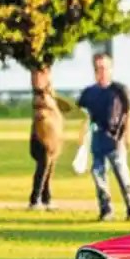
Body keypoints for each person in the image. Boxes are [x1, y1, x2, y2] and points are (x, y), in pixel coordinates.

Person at [77, 54, 130, 221]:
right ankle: (106, 209)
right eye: (98, 68)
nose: (102, 72)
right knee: (98, 174)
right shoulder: (89, 93)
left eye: (105, 68)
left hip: (116, 139)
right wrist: (81, 138)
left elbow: (129, 113)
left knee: (122, 173)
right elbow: (83, 117)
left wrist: (128, 135)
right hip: (97, 138)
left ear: (111, 69)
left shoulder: (120, 91)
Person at [28, 69, 74, 210]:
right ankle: (35, 199)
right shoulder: (39, 96)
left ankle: (46, 198)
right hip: (41, 138)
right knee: (42, 168)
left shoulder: (49, 93)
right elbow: (41, 111)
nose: (38, 79)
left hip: (53, 138)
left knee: (49, 169)